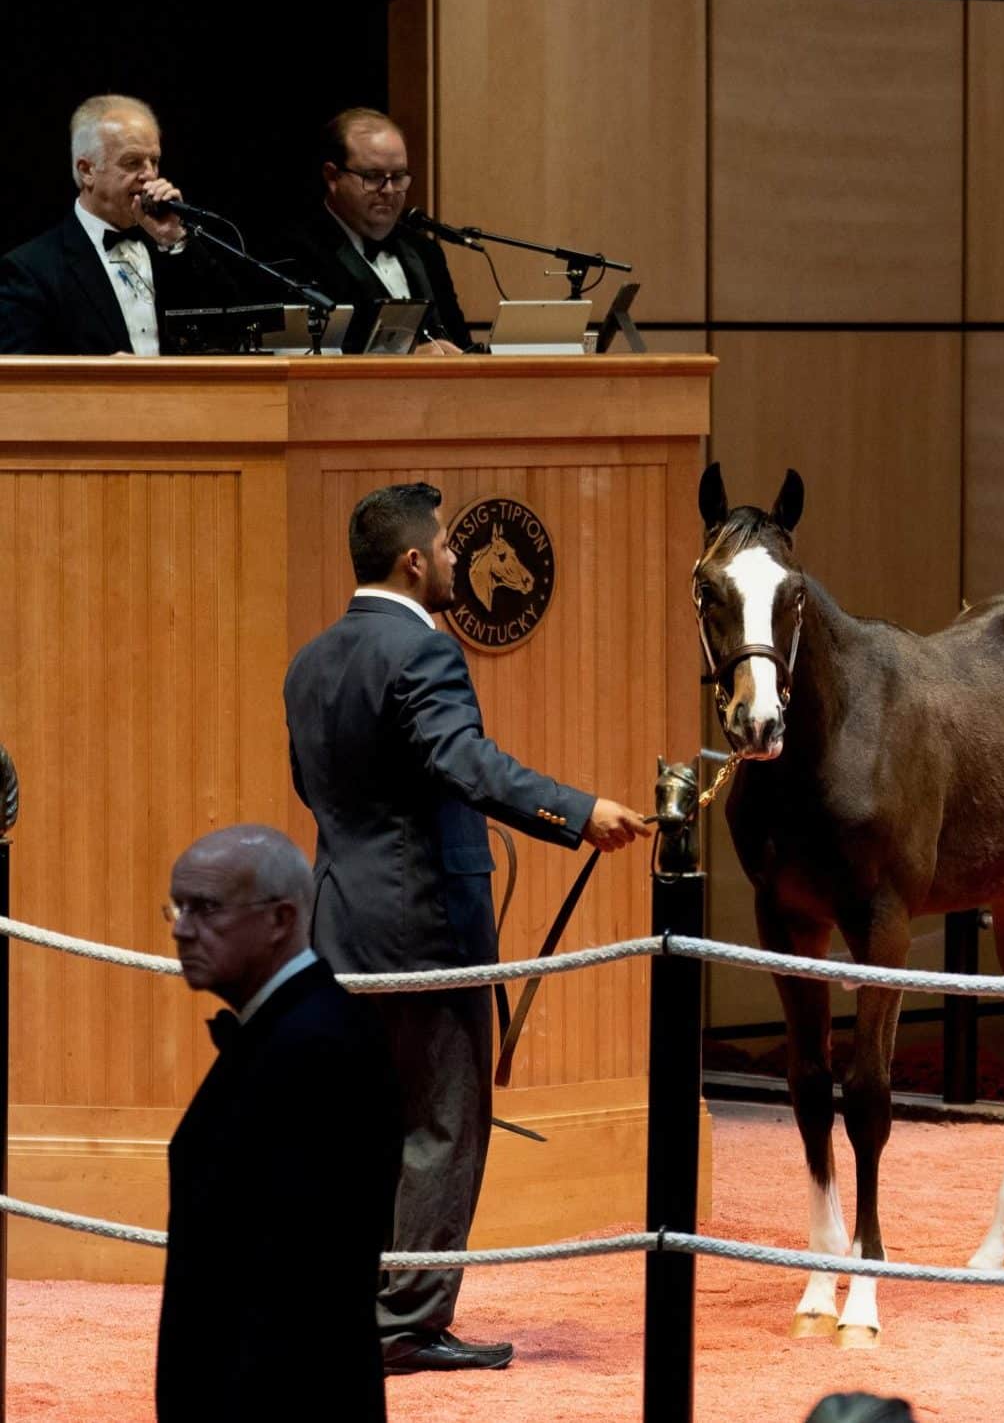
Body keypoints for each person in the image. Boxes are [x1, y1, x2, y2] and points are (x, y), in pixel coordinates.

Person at [283, 481, 651, 1375]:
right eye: (447, 545)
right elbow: (464, 761)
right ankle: (405, 1323)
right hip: (427, 933)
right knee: (441, 1124)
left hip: (339, 923)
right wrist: (577, 810)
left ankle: (351, 1310)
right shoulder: (424, 654)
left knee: (365, 1127)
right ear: (414, 561)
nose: (454, 556)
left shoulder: (312, 659)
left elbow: (314, 786)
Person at [157, 823, 402, 1423]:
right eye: (177, 906)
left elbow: (297, 1289)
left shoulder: (318, 1046)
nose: (182, 928)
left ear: (279, 919)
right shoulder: (295, 1031)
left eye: (206, 908)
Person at [0, 94, 217, 356]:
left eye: (154, 161)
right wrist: (98, 376)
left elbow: (232, 327)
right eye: (132, 162)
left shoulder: (171, 247)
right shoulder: (30, 270)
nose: (149, 175)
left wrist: (175, 240)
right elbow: (21, 383)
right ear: (87, 171)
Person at [278, 107, 470, 354]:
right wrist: (409, 361)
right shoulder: (296, 253)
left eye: (398, 176)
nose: (389, 190)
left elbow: (461, 341)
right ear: (333, 176)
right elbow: (304, 359)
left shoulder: (426, 251)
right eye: (373, 176)